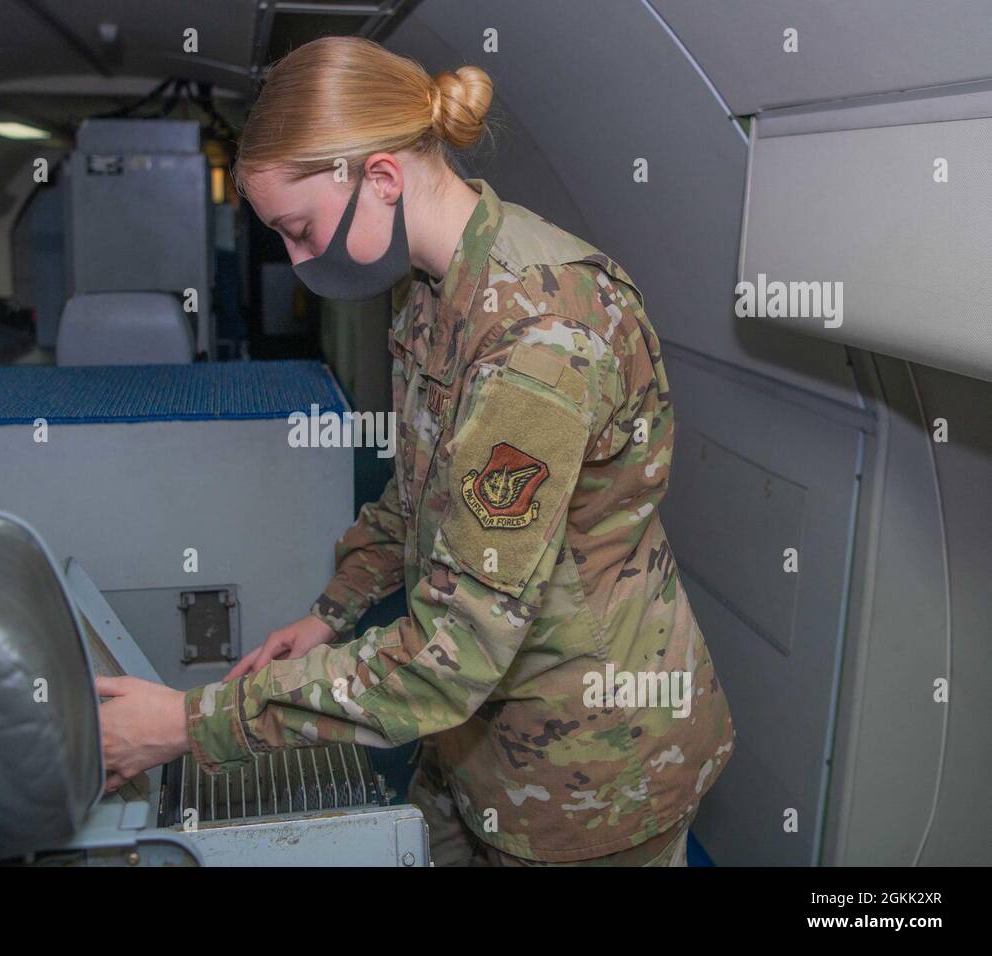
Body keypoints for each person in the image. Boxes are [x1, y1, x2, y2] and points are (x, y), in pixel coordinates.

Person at [96, 35, 735, 867]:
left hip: (587, 777)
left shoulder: (539, 346)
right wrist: (330, 612)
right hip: (472, 738)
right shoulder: (433, 287)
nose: (295, 260)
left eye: (299, 229)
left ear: (383, 180)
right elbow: (417, 490)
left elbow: (452, 655)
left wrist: (186, 722)